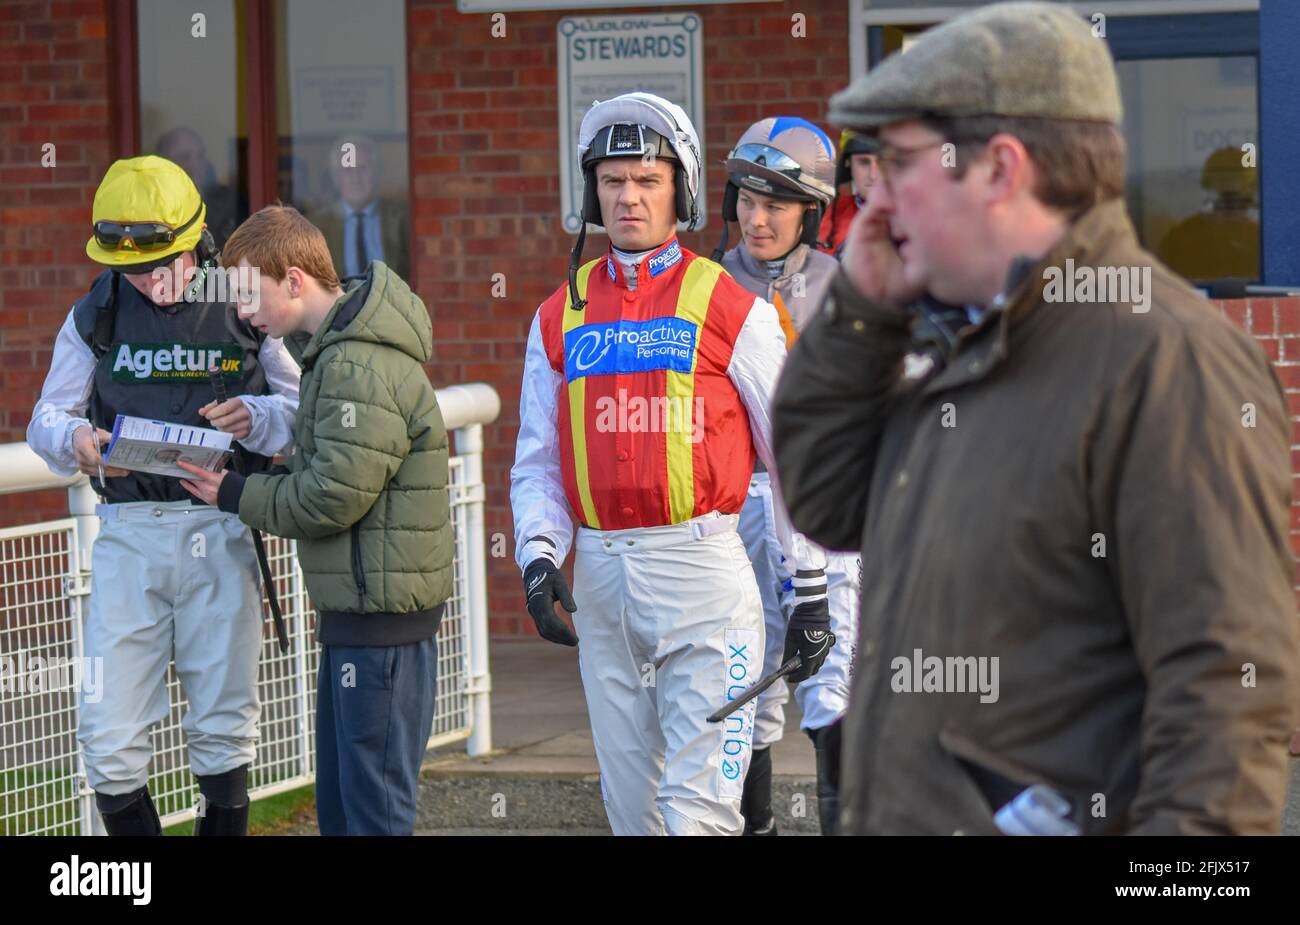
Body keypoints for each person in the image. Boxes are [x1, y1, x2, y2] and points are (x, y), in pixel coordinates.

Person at [772, 1, 1300, 835]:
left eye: (901, 163)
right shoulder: (952, 333)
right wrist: (861, 313)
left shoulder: (1167, 362)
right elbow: (825, 499)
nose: (872, 196)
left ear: (1000, 169)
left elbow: (1226, 707)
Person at [510, 91, 833, 836]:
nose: (628, 197)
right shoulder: (557, 312)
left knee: (699, 818)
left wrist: (808, 586)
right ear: (592, 189)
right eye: (613, 180)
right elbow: (537, 462)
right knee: (634, 817)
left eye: (647, 180)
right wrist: (536, 557)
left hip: (704, 575)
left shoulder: (732, 305)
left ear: (680, 192)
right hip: (603, 582)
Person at [25, 155, 300, 835]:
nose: (151, 282)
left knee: (224, 729)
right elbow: (44, 419)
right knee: (107, 737)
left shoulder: (241, 298)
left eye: (164, 263)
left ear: (196, 240)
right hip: (127, 530)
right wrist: (78, 442)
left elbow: (301, 405)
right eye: (135, 269)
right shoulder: (97, 309)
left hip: (221, 522)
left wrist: (256, 416)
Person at [176, 205, 452, 836]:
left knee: (371, 813)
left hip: (378, 623)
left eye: (250, 294)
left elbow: (331, 497)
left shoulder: (355, 364)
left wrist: (233, 492)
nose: (244, 313)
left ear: (295, 281)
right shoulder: (335, 356)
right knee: (345, 809)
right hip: (363, 615)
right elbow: (334, 472)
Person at [714, 115, 860, 835]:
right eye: (745, 197)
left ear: (812, 210)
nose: (756, 217)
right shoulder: (705, 288)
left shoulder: (843, 289)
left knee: (834, 683)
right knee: (748, 687)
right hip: (738, 507)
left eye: (775, 203)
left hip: (824, 509)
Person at [307, 134, 410, 281]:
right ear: (336, 176)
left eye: (363, 169)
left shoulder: (402, 218)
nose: (355, 178)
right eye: (347, 170)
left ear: (376, 172)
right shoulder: (317, 225)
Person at [1157, 145, 1260, 281]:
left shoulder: (1181, 236)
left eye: (1233, 198)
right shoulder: (1260, 239)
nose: (1230, 205)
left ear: (1207, 185)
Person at [155, 126, 245, 248]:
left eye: (200, 155)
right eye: (184, 157)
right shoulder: (150, 208)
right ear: (163, 165)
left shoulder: (230, 202)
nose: (196, 163)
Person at [816, 130, 879, 259]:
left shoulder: (921, 215)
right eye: (864, 162)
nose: (873, 175)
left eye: (882, 162)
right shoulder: (831, 216)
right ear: (848, 165)